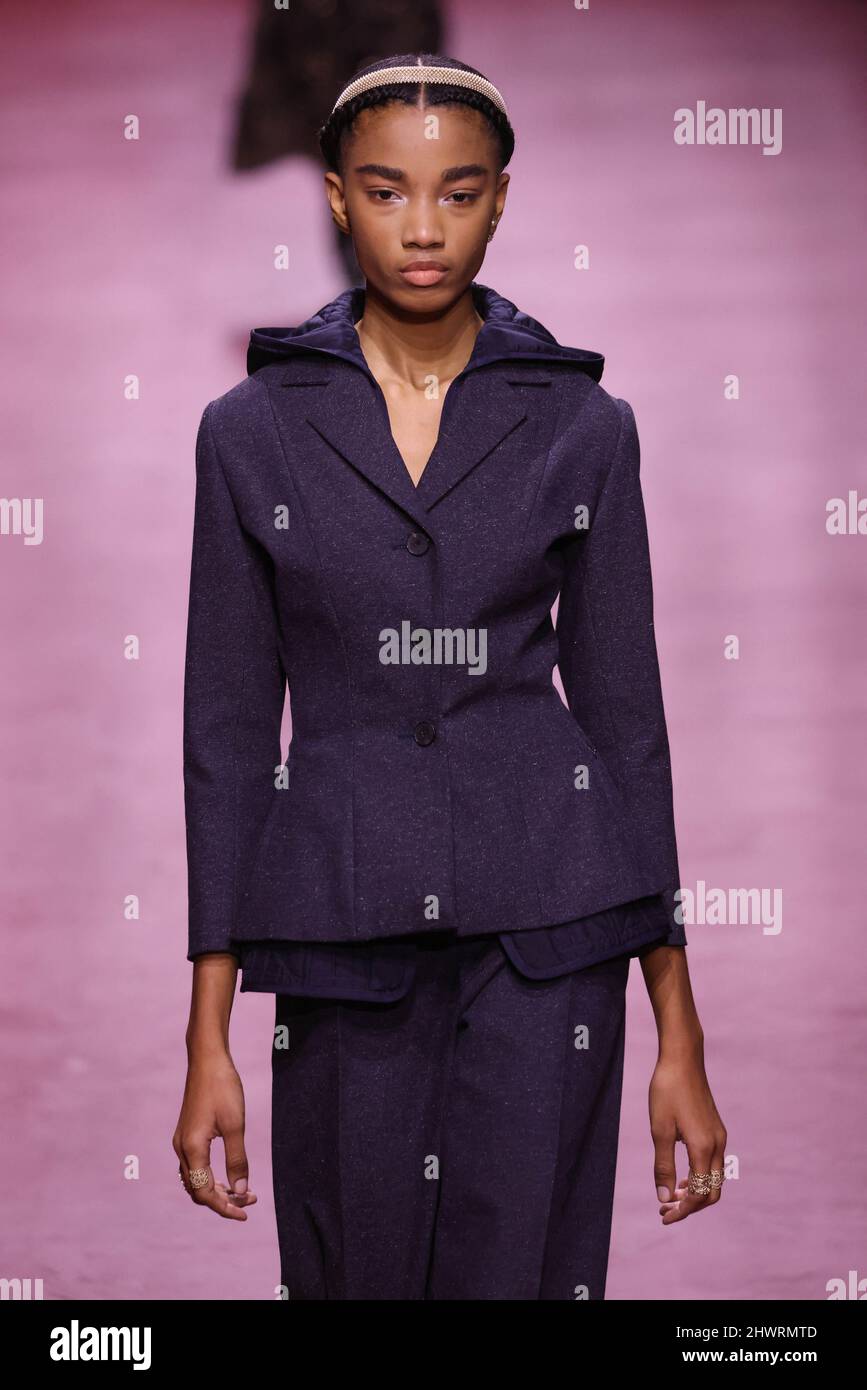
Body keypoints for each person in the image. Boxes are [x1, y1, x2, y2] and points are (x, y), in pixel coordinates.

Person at [174, 53, 727, 1301]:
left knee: (524, 1277)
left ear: (501, 200)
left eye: (458, 192)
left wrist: (679, 1032)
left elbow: (628, 725)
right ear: (333, 198)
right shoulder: (250, 430)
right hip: (340, 929)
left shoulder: (586, 426)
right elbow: (225, 734)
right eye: (386, 191)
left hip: (550, 922)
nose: (423, 227)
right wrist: (206, 1037)